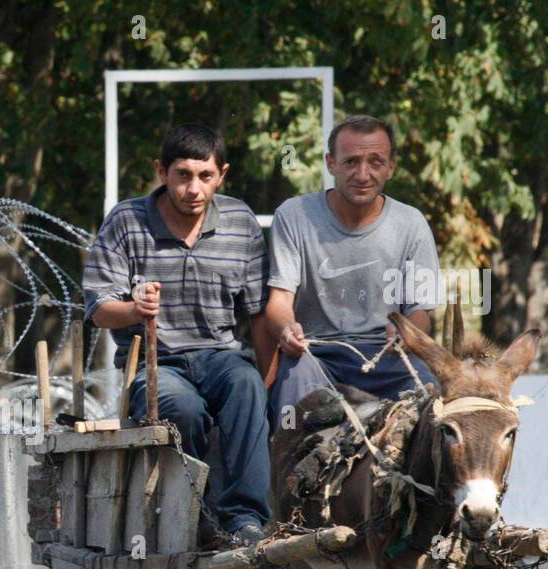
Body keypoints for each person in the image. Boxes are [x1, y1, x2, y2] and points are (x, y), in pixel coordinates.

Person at [83, 124, 271, 545]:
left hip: (222, 357)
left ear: (222, 174)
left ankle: (245, 520)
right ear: (161, 171)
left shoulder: (241, 221)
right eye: (182, 175)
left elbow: (259, 314)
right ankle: (194, 514)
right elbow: (97, 309)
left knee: (248, 387)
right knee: (182, 409)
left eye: (205, 176)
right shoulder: (126, 221)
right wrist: (134, 309)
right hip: (156, 363)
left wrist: (270, 381)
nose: (193, 188)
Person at [260, 114, 441, 425]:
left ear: (391, 167)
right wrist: (287, 330)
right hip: (316, 355)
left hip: (388, 357)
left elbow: (420, 312)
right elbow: (278, 302)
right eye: (351, 162)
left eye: (375, 162)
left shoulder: (411, 223)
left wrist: (406, 333)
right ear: (331, 164)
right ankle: (285, 473)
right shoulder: (294, 215)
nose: (363, 173)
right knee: (292, 417)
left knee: (434, 408)